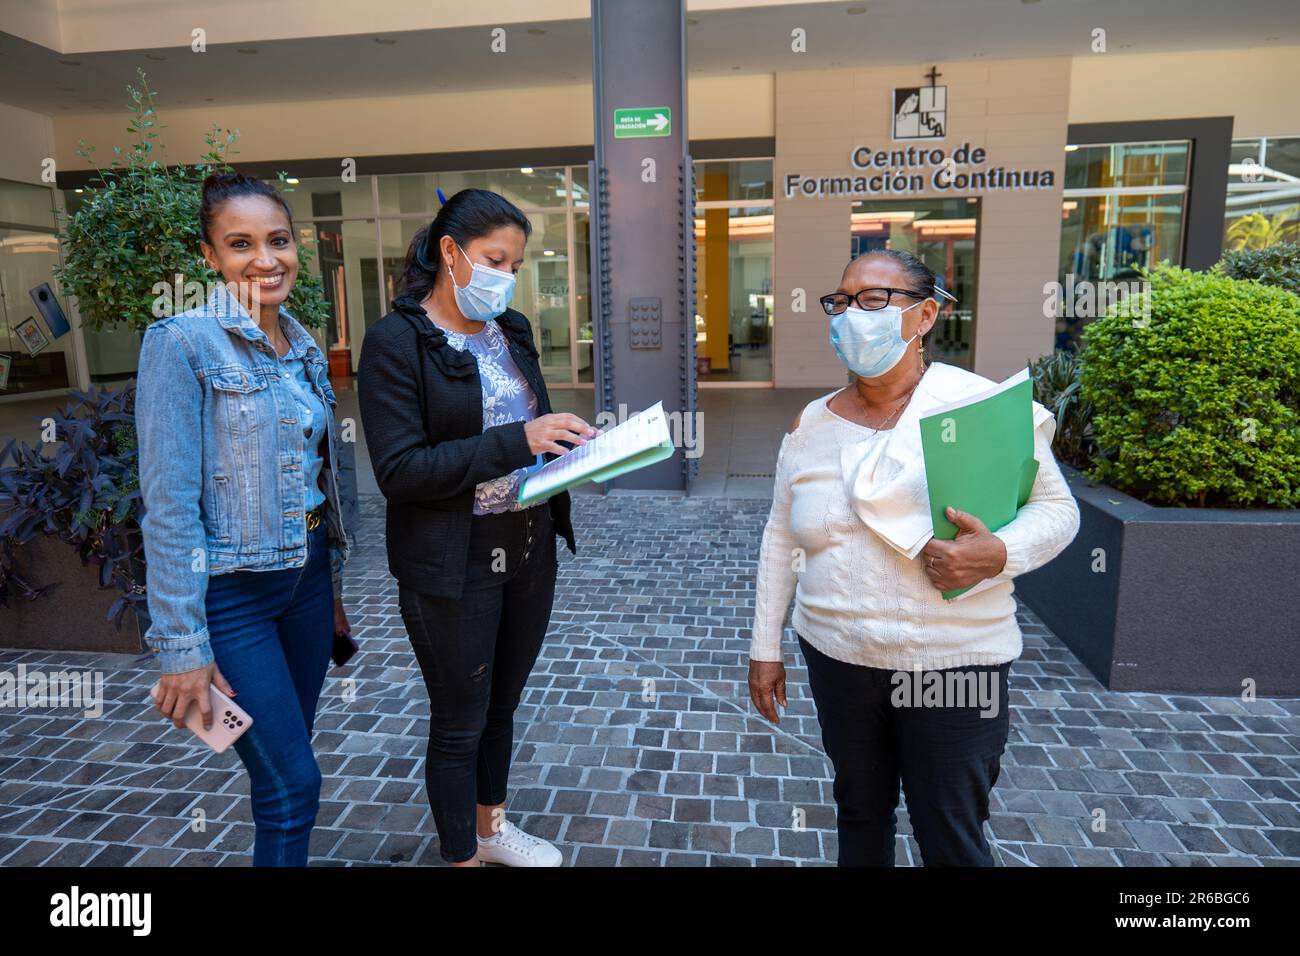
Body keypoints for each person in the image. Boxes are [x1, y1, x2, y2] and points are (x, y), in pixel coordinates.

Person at [748, 248, 1080, 866]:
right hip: (839, 660)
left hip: (954, 667)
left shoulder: (977, 407)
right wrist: (764, 647)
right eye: (841, 301)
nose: (852, 315)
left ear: (924, 316)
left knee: (951, 835)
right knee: (860, 814)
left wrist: (998, 552)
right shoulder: (810, 424)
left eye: (874, 300)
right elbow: (780, 536)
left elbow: (1059, 512)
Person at [357, 188, 595, 868]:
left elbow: (530, 426)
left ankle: (493, 832)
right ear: (450, 252)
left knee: (501, 707)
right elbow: (402, 469)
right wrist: (522, 439)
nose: (507, 277)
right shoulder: (396, 342)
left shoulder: (509, 330)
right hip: (452, 563)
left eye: (516, 264)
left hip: (527, 547)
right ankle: (461, 854)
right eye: (496, 259)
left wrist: (567, 444)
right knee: (461, 721)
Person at [137, 172, 352, 866]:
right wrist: (182, 646)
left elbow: (318, 479)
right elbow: (167, 505)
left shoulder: (304, 345)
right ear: (209, 256)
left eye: (279, 240)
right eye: (240, 244)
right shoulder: (181, 344)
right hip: (232, 599)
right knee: (295, 783)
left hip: (308, 587)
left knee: (281, 775)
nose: (266, 259)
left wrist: (335, 588)